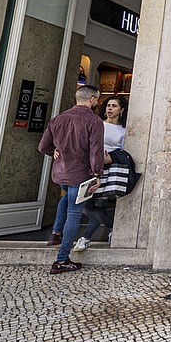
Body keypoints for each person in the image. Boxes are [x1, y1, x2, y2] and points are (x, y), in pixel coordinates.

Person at [38, 85, 104, 274]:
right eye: (97, 99)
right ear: (92, 99)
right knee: (74, 214)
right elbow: (96, 151)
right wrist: (97, 174)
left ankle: (55, 234)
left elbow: (42, 147)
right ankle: (61, 259)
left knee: (67, 198)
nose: (98, 102)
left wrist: (53, 151)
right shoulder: (94, 121)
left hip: (61, 173)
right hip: (80, 174)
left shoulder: (58, 119)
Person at [73, 95, 127, 251]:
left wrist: (112, 157)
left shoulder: (123, 130)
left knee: (100, 203)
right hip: (91, 166)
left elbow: (123, 150)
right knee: (87, 203)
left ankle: (86, 237)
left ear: (121, 110)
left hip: (110, 168)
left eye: (114, 106)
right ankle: (110, 229)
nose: (110, 108)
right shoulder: (98, 124)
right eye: (108, 105)